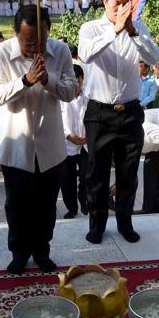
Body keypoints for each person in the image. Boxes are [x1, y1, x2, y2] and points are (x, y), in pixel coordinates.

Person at [0, 6, 77, 274]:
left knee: (46, 205)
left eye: (41, 40)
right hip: (17, 146)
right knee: (16, 206)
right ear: (15, 33)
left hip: (50, 146)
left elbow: (72, 89)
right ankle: (18, 252)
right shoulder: (1, 53)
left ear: (49, 32)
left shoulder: (60, 51)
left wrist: (48, 80)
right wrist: (25, 81)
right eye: (28, 41)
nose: (35, 47)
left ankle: (41, 250)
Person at [78, 0, 159, 244]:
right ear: (105, 1)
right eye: (117, 2)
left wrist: (132, 32)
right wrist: (114, 29)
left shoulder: (139, 28)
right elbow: (85, 54)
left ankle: (125, 221)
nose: (123, 8)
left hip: (130, 112)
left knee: (128, 173)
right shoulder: (91, 28)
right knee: (97, 173)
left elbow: (154, 58)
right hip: (99, 112)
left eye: (127, 3)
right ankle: (97, 224)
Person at [61, 64, 89, 219]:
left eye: (77, 79)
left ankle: (83, 199)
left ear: (81, 79)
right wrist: (68, 135)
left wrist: (89, 136)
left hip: (85, 143)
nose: (74, 83)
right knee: (67, 179)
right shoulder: (60, 98)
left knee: (87, 175)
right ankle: (71, 208)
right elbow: (55, 121)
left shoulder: (90, 97)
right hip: (67, 144)